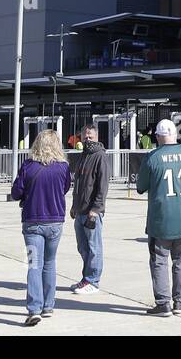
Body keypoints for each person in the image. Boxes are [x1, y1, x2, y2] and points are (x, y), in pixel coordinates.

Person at [136, 119, 181, 315]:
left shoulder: (153, 157)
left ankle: (163, 302)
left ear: (157, 136)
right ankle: (180, 301)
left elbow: (140, 187)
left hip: (161, 221)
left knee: (159, 260)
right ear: (176, 135)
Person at [10, 130, 71, 326]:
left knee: (34, 264)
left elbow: (16, 192)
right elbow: (65, 188)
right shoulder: (63, 167)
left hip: (33, 222)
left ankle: (34, 308)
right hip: (55, 221)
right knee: (50, 262)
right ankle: (49, 305)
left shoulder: (28, 166)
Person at [70, 124, 110, 296]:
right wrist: (73, 206)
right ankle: (86, 278)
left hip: (92, 211)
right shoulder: (83, 156)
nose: (87, 139)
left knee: (94, 247)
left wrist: (96, 209)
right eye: (85, 136)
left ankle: (93, 281)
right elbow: (78, 184)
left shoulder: (100, 156)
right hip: (80, 210)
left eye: (90, 137)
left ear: (96, 137)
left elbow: (102, 186)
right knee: (83, 247)